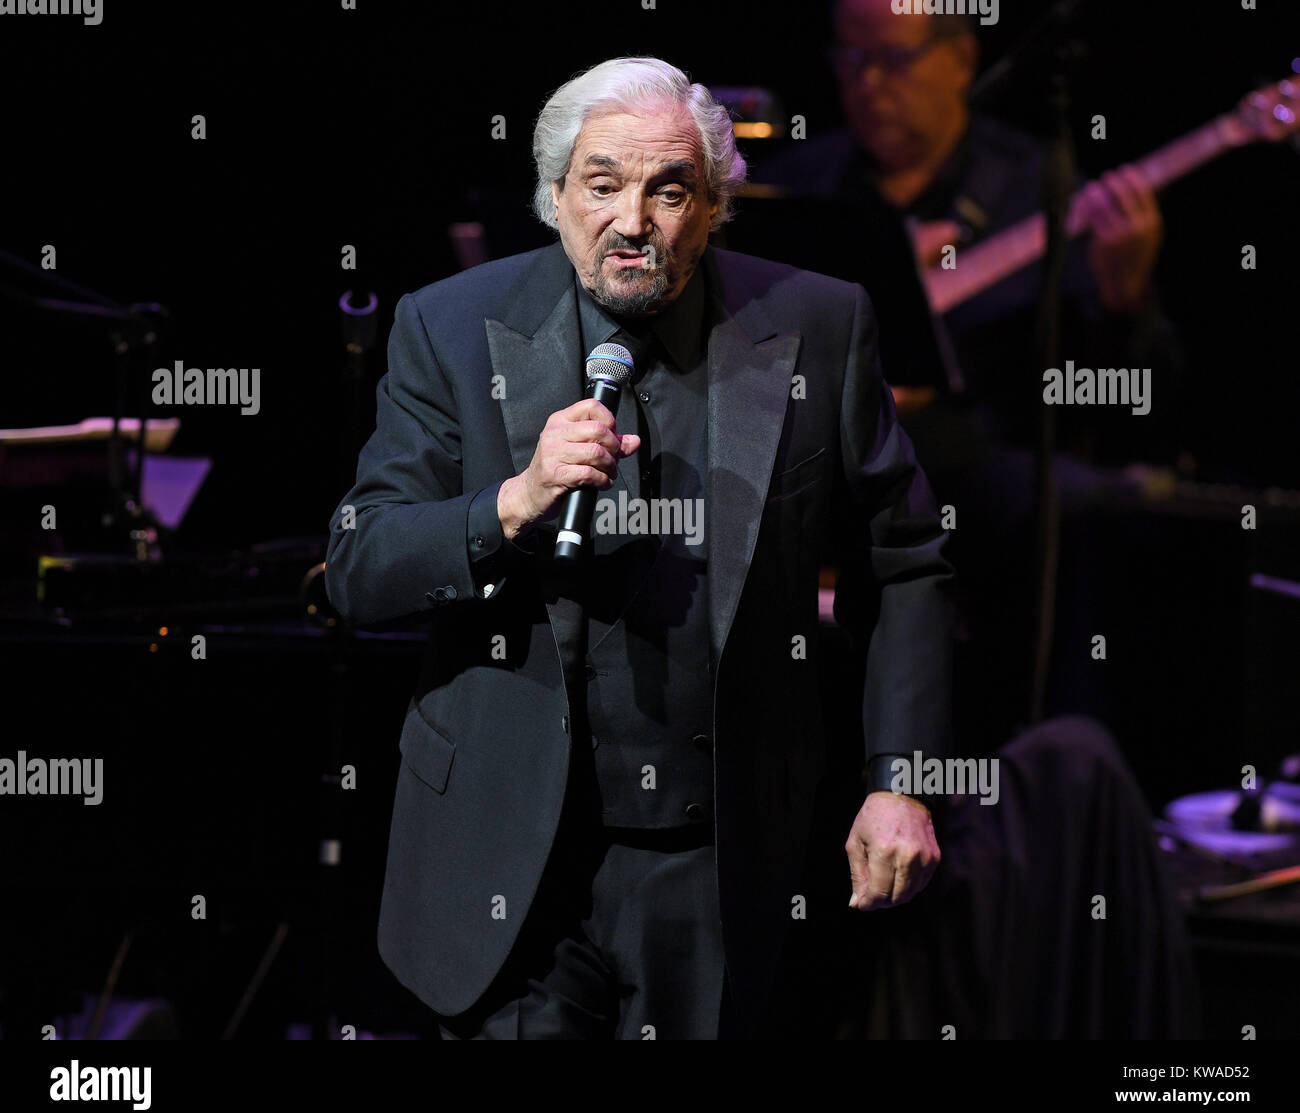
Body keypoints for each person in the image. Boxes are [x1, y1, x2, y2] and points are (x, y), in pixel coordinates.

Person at [325, 55, 955, 1040]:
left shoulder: (818, 325)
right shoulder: (448, 328)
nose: (632, 220)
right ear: (554, 196)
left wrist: (899, 780)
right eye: (603, 184)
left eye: (669, 190)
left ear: (713, 206)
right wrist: (513, 499)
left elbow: (906, 557)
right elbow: (362, 565)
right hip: (506, 854)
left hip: (715, 857)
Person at [750, 0, 1181, 751]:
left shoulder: (1039, 186)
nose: (869, 84)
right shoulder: (798, 184)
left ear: (960, 58)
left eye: (893, 59)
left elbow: (1142, 394)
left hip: (974, 464)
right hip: (815, 453)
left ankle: (1064, 774)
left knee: (1084, 506)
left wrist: (1125, 298)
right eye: (850, 60)